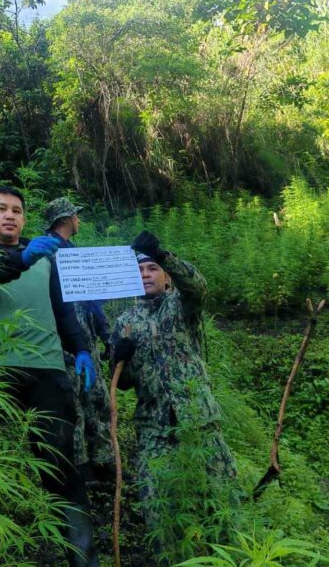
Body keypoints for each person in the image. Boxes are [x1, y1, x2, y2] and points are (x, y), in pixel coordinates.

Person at [0, 186, 99, 567]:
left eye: (17, 211)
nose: (10, 215)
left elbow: (63, 309)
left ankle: (81, 558)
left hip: (46, 369)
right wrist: (22, 258)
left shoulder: (45, 261)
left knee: (61, 465)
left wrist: (81, 348)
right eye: (0, 209)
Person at [109, 230, 237, 556]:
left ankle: (231, 558)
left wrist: (163, 254)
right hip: (154, 430)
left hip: (200, 422)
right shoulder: (124, 322)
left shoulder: (181, 306)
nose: (145, 275)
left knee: (222, 502)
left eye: (152, 268)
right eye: (139, 270)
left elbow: (199, 287)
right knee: (159, 509)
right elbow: (122, 383)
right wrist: (116, 360)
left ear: (166, 277)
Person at [44, 198, 114, 482]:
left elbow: (92, 301)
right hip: (65, 342)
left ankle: (103, 462)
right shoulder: (47, 254)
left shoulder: (73, 253)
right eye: (76, 216)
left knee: (95, 399)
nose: (79, 221)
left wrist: (105, 334)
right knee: (74, 402)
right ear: (65, 219)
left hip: (86, 341)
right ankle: (80, 468)